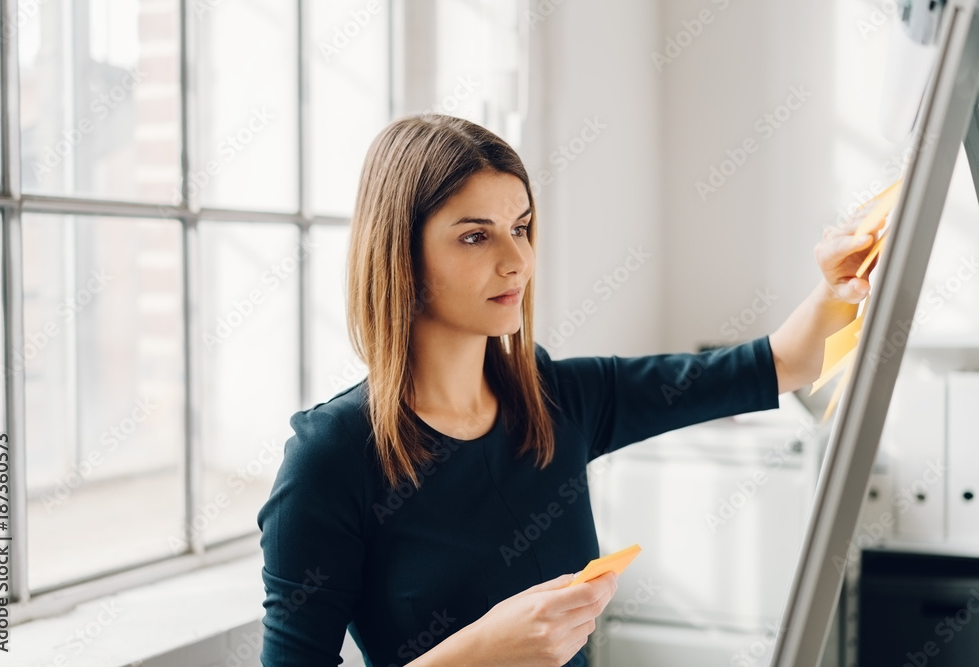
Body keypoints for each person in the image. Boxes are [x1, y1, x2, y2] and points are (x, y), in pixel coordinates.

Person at [256, 113, 881, 667]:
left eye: (521, 227)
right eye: (475, 235)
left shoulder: (555, 398)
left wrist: (836, 287)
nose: (517, 260)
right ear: (401, 254)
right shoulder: (331, 455)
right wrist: (476, 656)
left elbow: (781, 364)